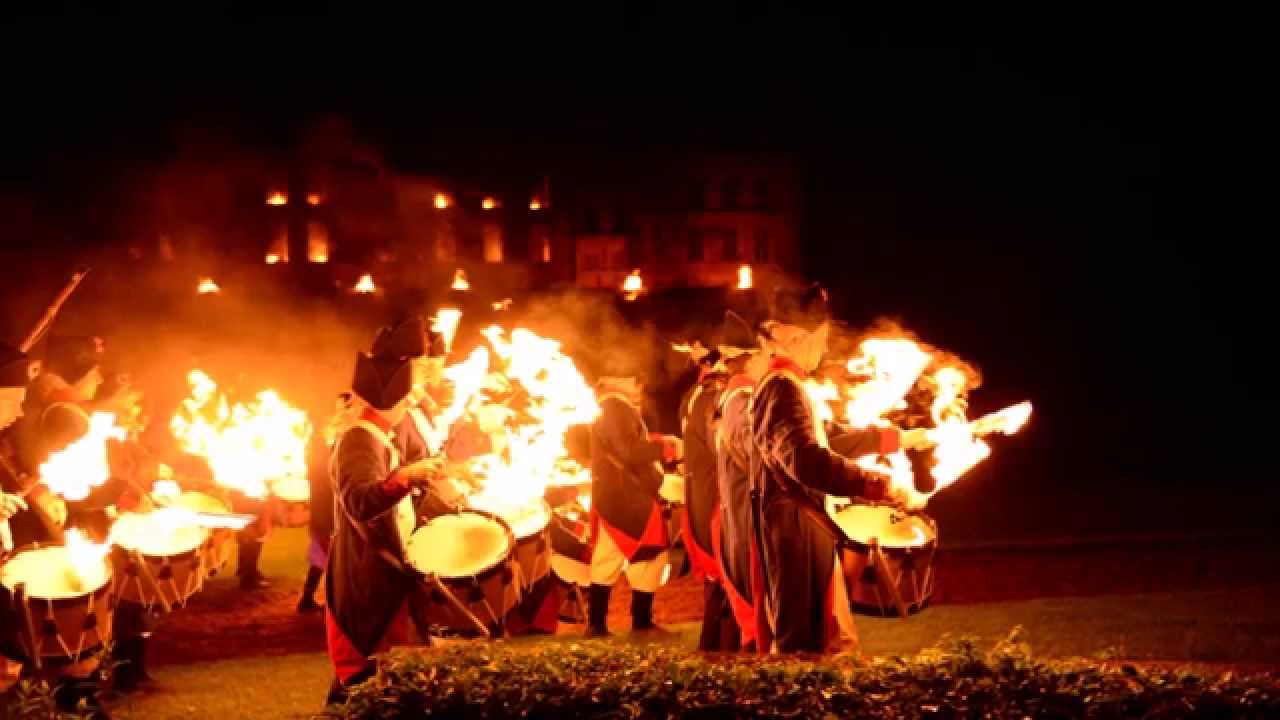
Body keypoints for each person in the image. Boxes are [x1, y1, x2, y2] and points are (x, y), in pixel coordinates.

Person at [749, 285, 914, 654]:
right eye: (819, 338)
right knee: (801, 639)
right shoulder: (782, 388)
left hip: (801, 523)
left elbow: (825, 441)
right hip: (793, 526)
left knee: (816, 633)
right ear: (791, 337)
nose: (823, 348)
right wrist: (869, 482)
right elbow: (804, 458)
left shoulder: (790, 386)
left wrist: (895, 440)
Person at [324, 351, 443, 704]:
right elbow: (359, 502)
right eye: (404, 400)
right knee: (366, 663)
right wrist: (404, 478)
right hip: (366, 568)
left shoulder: (376, 435)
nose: (409, 407)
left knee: (379, 665)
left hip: (380, 562)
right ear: (391, 403)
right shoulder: (360, 440)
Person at [678, 313, 755, 652]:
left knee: (719, 589)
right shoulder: (715, 396)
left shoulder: (698, 392)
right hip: (716, 501)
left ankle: (711, 653)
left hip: (704, 497)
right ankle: (724, 661)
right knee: (729, 585)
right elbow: (726, 449)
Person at [586, 369, 679, 638]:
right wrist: (665, 446)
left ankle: (603, 624)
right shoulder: (615, 407)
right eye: (630, 377)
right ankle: (632, 622)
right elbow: (628, 452)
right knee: (642, 557)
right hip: (627, 497)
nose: (638, 383)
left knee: (613, 559)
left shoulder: (612, 407)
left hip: (618, 496)